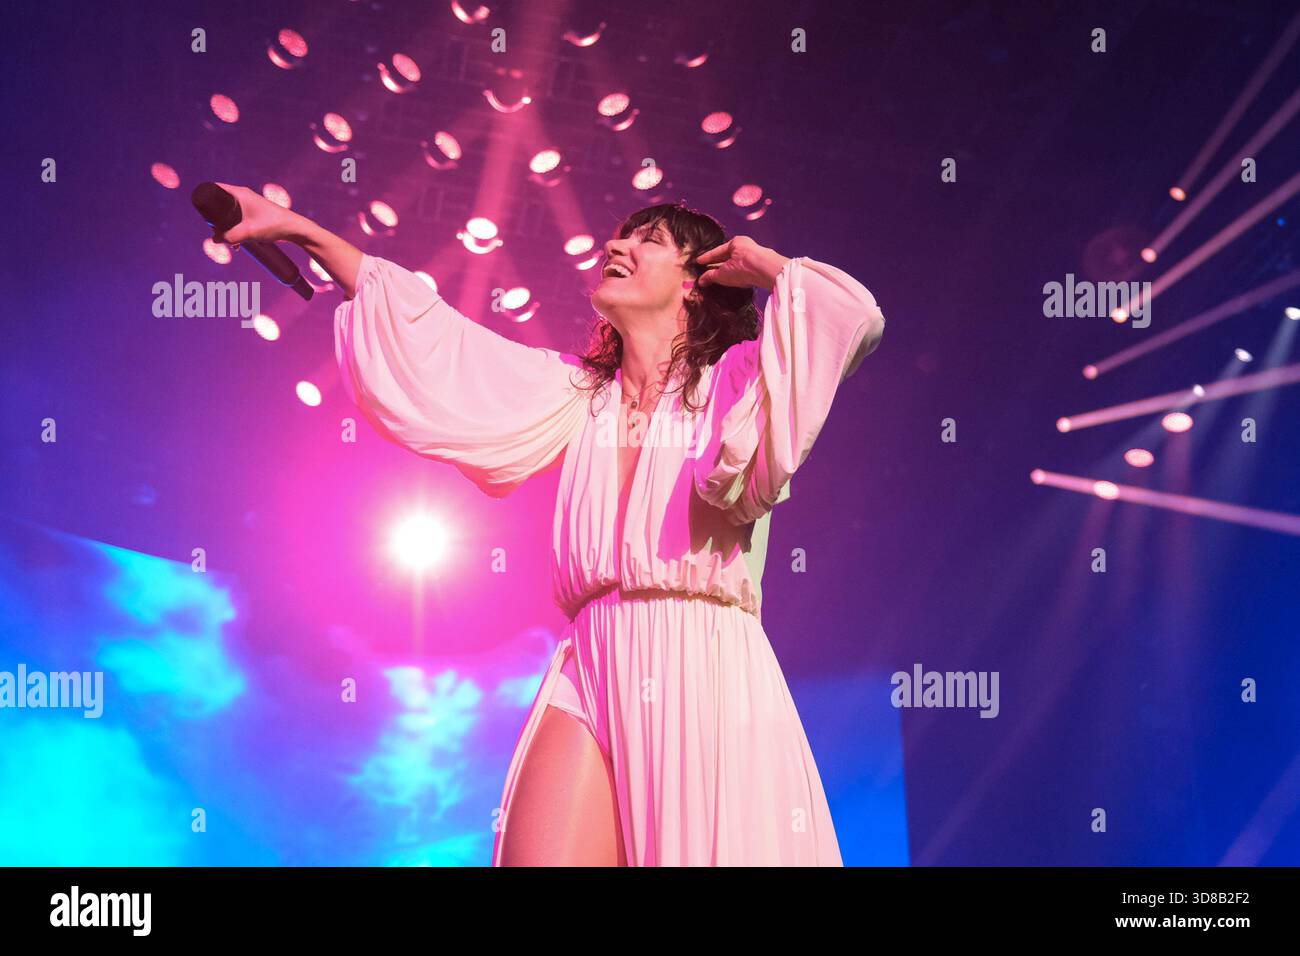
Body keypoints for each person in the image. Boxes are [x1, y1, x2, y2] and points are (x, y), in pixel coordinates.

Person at [210, 185, 886, 865]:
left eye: (648, 240)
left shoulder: (737, 383)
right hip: (590, 655)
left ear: (695, 284)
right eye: (622, 234)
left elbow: (848, 315)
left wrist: (758, 260)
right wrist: (300, 228)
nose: (616, 246)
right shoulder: (579, 397)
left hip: (699, 657)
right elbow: (442, 343)